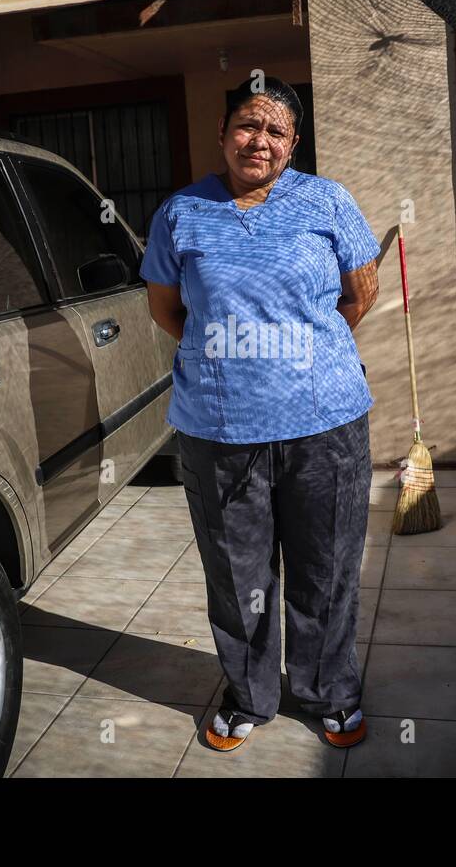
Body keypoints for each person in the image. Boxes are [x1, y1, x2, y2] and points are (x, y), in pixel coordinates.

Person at [140, 75, 380, 752]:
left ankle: (329, 692)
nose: (260, 140)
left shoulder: (327, 201)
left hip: (326, 426)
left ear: (293, 144)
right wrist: (231, 361)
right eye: (248, 125)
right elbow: (166, 309)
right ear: (222, 135)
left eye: (276, 131)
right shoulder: (181, 212)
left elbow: (360, 294)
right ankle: (249, 695)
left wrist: (304, 355)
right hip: (220, 430)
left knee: (325, 570)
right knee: (238, 575)